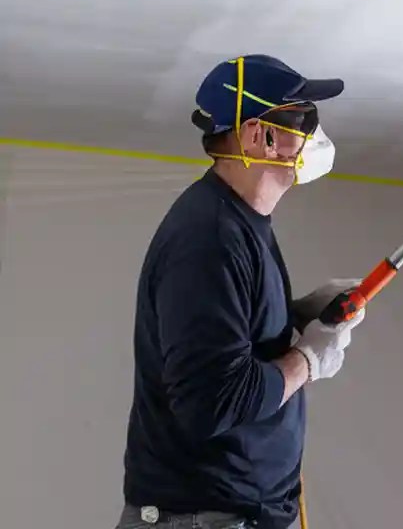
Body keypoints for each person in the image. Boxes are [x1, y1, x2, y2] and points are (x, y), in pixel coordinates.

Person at [116, 55, 365, 529]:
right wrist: (308, 361)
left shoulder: (241, 223)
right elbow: (213, 403)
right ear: (260, 135)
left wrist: (298, 316)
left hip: (235, 515)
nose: (315, 134)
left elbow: (229, 336)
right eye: (304, 118)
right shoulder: (209, 238)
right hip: (200, 518)